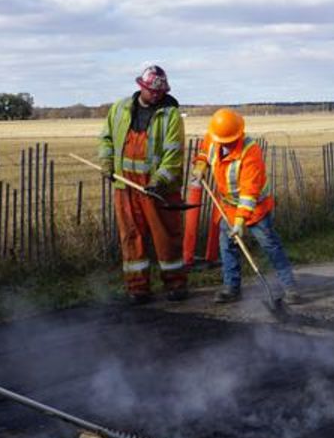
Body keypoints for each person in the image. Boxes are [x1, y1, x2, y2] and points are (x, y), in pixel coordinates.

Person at [97, 64, 188, 304]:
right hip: (126, 186)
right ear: (141, 86)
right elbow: (106, 138)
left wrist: (158, 181)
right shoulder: (120, 109)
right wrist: (107, 162)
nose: (157, 96)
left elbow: (173, 155)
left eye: (161, 92)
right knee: (131, 236)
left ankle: (175, 285)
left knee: (166, 237)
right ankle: (138, 288)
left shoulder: (170, 115)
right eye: (152, 91)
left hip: (158, 189)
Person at [193, 108, 300, 304]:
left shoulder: (250, 152)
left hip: (255, 208)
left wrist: (240, 222)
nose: (223, 143)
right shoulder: (214, 137)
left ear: (237, 134)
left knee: (270, 246)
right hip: (228, 207)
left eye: (228, 140)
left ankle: (290, 288)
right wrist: (200, 166)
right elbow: (203, 154)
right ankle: (231, 288)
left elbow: (249, 192)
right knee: (227, 246)